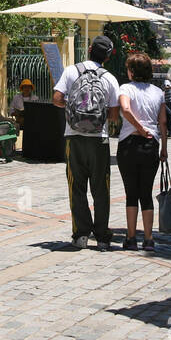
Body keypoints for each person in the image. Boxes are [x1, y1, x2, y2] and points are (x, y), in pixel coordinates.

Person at [53, 36, 120, 250]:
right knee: (101, 189)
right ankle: (102, 237)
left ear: (90, 49)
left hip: (73, 137)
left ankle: (81, 234)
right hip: (99, 140)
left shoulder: (71, 71)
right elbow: (114, 115)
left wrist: (74, 109)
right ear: (107, 57)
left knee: (76, 187)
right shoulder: (110, 78)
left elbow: (56, 98)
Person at [116, 52, 168, 251]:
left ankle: (131, 238)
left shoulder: (126, 88)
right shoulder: (158, 92)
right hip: (151, 144)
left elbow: (125, 109)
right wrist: (164, 147)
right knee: (146, 193)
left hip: (129, 143)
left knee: (131, 193)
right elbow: (163, 122)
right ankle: (148, 238)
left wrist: (138, 127)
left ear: (131, 71)